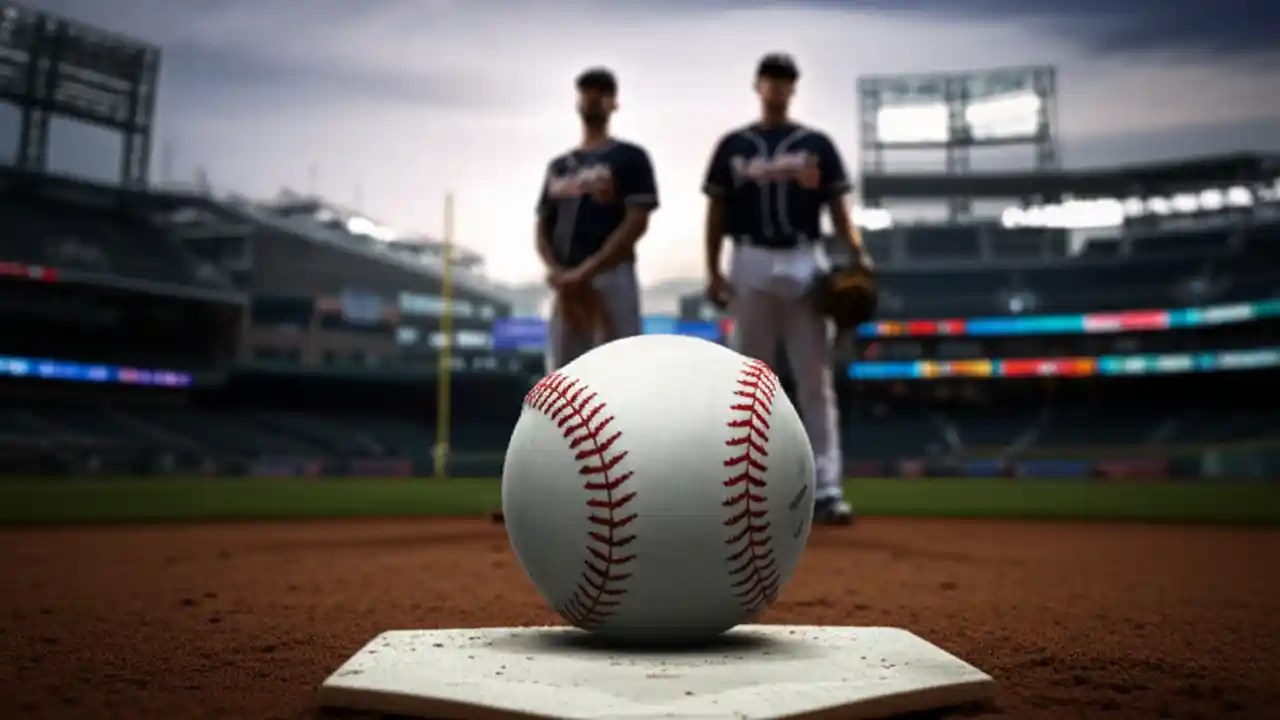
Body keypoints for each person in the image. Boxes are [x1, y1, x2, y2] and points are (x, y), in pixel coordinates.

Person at [701, 53, 873, 526]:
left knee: (814, 378)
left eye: (785, 80)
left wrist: (857, 251)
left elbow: (838, 208)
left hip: (805, 258)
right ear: (758, 86)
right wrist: (712, 269)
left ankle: (828, 488)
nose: (777, 87)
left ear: (793, 88)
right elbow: (716, 212)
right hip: (749, 258)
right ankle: (746, 489)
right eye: (771, 80)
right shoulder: (733, 146)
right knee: (748, 382)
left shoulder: (816, 144)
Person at [535, 67, 659, 372]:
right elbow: (542, 226)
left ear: (614, 103)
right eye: (587, 93)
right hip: (566, 281)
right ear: (578, 102)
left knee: (621, 371)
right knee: (564, 377)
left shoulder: (630, 156)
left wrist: (587, 271)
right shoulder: (559, 166)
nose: (592, 99)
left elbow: (636, 223)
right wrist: (558, 273)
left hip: (612, 274)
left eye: (601, 93)